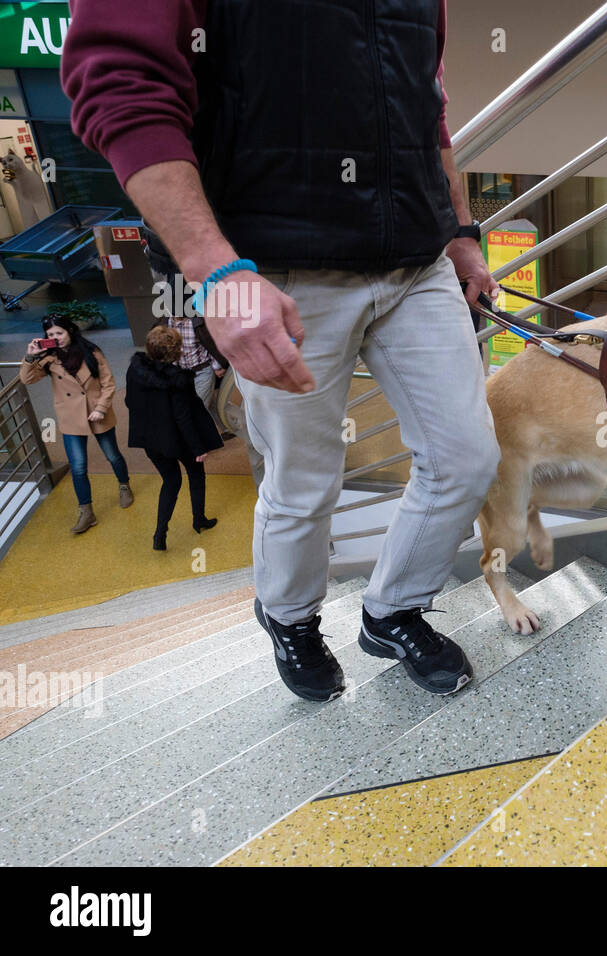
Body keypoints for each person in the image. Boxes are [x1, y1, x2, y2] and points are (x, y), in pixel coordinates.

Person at [63, 1, 501, 702]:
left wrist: (460, 230)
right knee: (304, 481)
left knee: (468, 457)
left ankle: (391, 609)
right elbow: (118, 80)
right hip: (275, 267)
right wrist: (217, 272)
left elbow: (428, 105)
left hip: (418, 263)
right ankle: (291, 616)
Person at [21, 314, 133, 534]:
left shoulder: (92, 352)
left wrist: (101, 407)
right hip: (70, 416)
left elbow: (108, 383)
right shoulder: (47, 358)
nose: (56, 337)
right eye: (50, 334)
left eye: (59, 333)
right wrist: (30, 357)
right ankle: (86, 512)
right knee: (79, 467)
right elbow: (27, 380)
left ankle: (124, 486)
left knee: (112, 455)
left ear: (69, 331)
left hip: (96, 412)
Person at [126, 325, 223, 551]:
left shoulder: (135, 370)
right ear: (177, 351)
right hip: (177, 440)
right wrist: (198, 448)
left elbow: (129, 402)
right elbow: (184, 418)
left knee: (170, 481)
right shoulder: (179, 380)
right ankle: (199, 520)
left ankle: (160, 534)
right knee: (196, 475)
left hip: (151, 440)